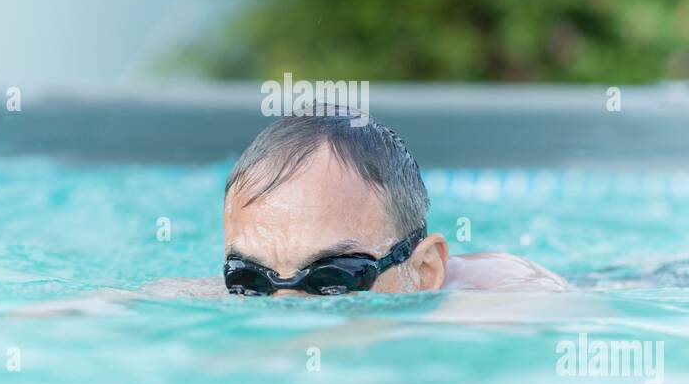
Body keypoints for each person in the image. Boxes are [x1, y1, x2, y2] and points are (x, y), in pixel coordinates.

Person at [216, 108, 569, 296]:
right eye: (249, 279)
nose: (284, 316)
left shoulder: (513, 306)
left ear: (425, 271)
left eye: (332, 280)